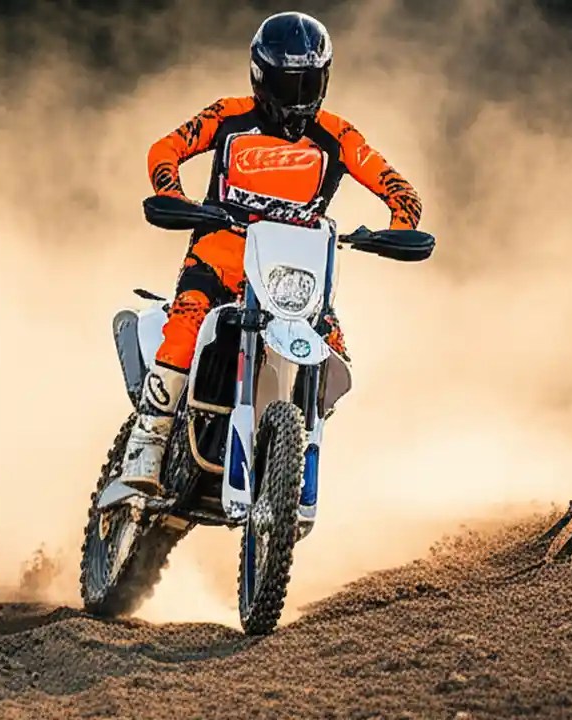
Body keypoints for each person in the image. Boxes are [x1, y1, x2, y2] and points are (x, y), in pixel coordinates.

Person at [119, 11, 423, 494]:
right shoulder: (227, 115)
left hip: (294, 272)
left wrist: (397, 229)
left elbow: (400, 190)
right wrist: (174, 197)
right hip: (218, 256)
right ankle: (147, 443)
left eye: (308, 83)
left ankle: (287, 450)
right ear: (262, 77)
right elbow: (165, 149)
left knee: (336, 360)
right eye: (287, 83)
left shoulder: (338, 135)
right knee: (186, 323)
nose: (297, 98)